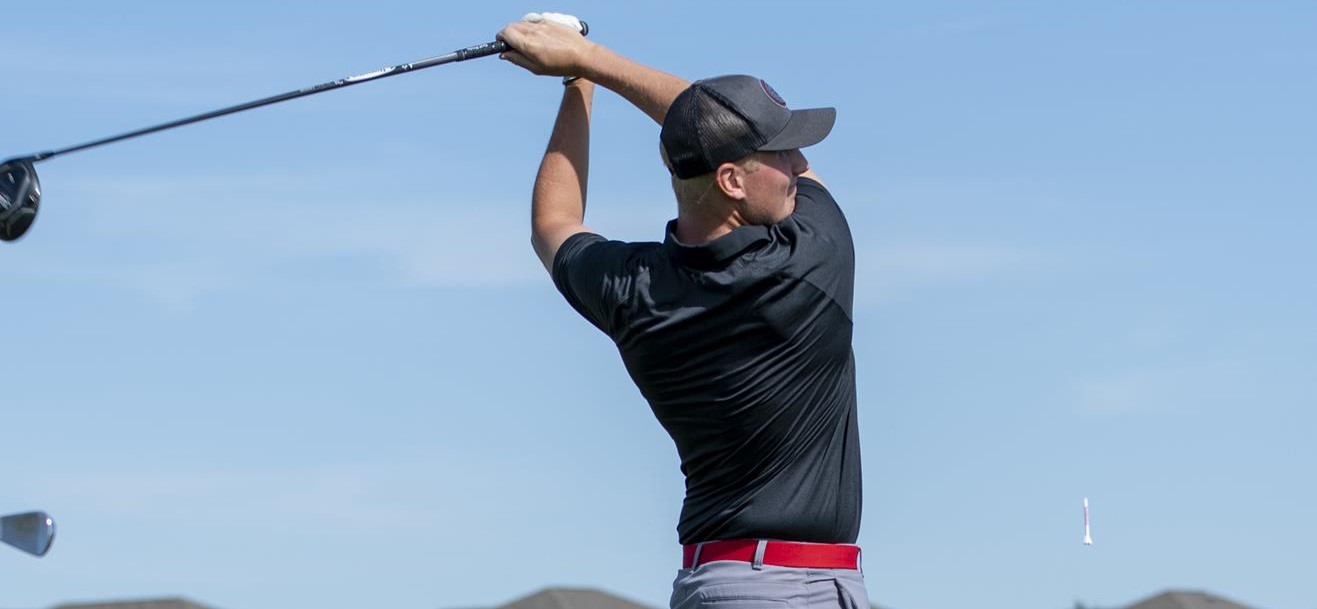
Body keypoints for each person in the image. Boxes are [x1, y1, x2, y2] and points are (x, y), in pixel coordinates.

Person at [498, 15, 867, 609]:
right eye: (783, 152)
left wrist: (576, 84)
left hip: (718, 584)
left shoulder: (631, 287)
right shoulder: (810, 260)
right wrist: (590, 60)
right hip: (791, 588)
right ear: (731, 180)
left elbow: (554, 224)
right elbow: (695, 110)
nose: (799, 165)